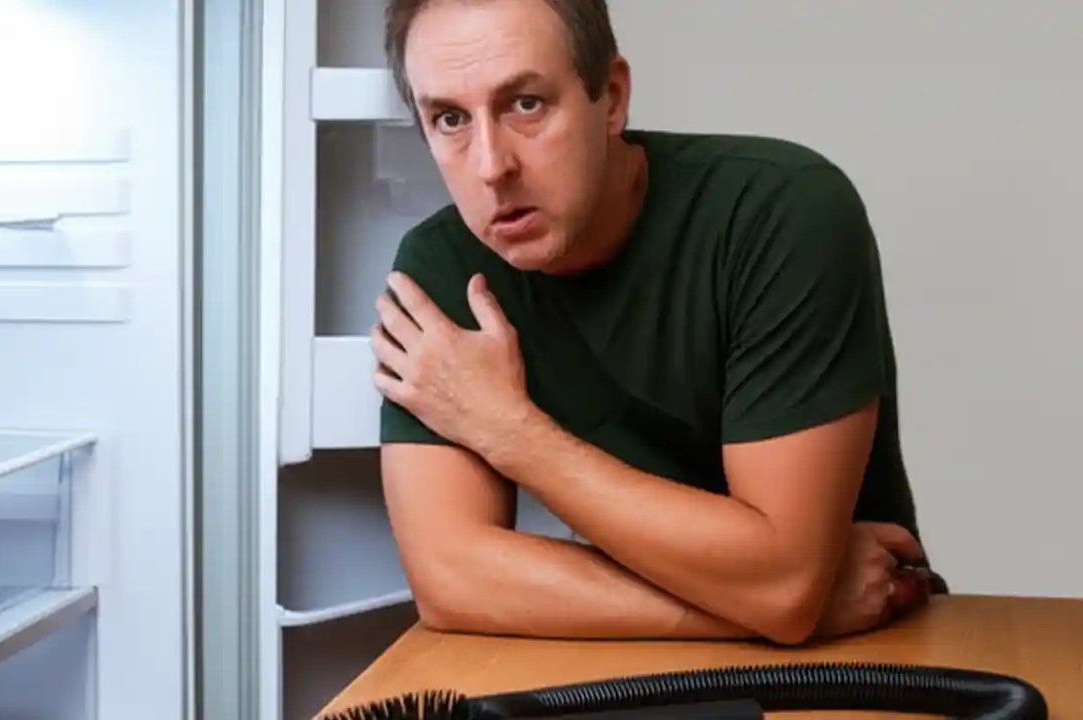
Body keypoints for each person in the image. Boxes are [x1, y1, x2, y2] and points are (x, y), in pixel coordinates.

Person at [370, 0, 944, 646]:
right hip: (640, 662)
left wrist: (508, 430)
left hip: (861, 659)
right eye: (449, 119)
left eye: (526, 105)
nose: (490, 166)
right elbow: (450, 578)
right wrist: (773, 608)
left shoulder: (782, 214)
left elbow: (783, 584)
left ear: (612, 98)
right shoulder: (441, 268)